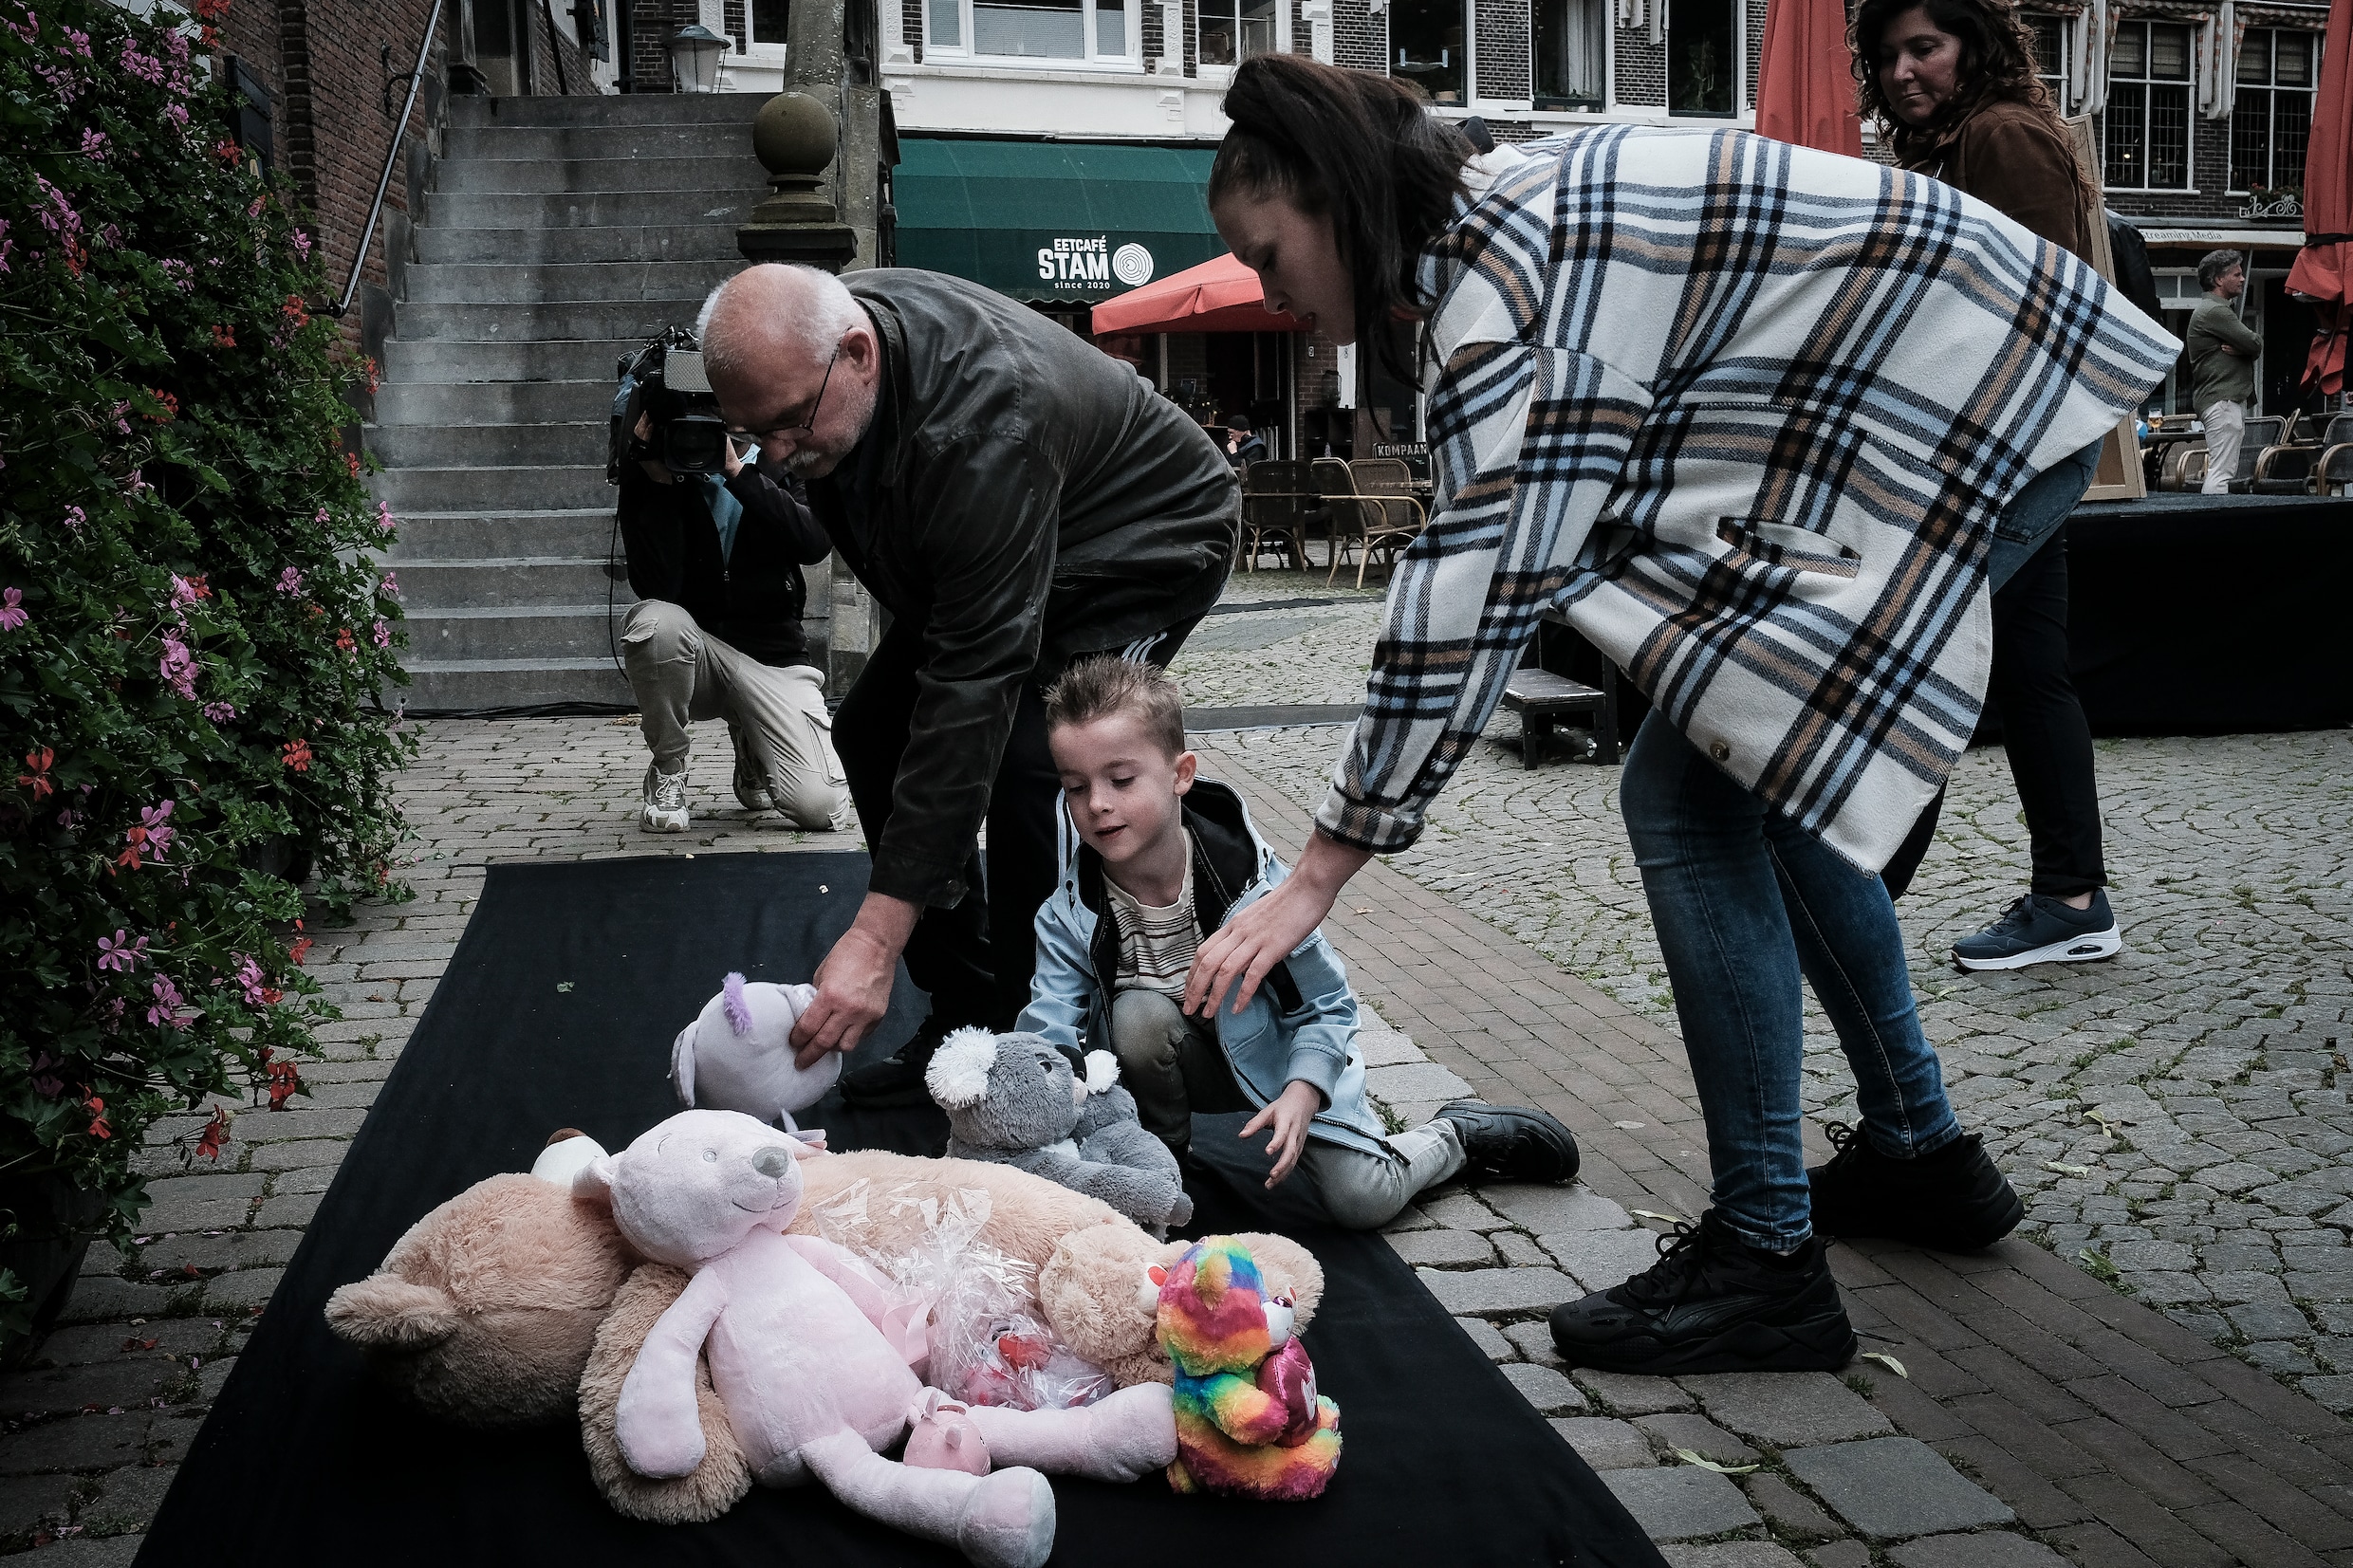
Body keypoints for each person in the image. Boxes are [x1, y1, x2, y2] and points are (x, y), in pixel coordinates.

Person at [1191, 56, 2173, 1374]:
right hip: (1977, 380)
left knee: (1689, 795)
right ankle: (1921, 1152)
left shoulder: (1502, 286)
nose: (1269, 292)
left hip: (1978, 401)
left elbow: (1474, 584)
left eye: (1266, 252)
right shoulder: (1495, 212)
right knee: (1753, 769)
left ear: (1329, 195)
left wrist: (1319, 871)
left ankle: (1768, 1253)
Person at [695, 264, 1238, 1106]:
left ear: (858, 353)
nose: (776, 455)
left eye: (789, 425)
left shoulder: (984, 421)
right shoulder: (827, 358)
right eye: (751, 431)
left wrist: (875, 937)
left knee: (1035, 763)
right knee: (872, 730)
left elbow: (972, 682)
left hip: (1145, 545)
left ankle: (1032, 1058)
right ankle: (963, 1019)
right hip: (1018, 532)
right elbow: (936, 628)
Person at [1019, 655, 1579, 1227]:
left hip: (1281, 1064)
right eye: (1075, 787)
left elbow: (1329, 1008)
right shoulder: (1069, 914)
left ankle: (1455, 1135)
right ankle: (1163, 1161)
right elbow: (1049, 1029)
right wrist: (1025, 1108)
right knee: (1137, 1015)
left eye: (1120, 780)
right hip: (1178, 1061)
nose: (1098, 805)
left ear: (1181, 773)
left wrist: (1306, 1090)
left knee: (1364, 1200)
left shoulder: (1261, 891)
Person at [1857, 0, 2124, 973]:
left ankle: (1860, 891)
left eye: (1922, 46)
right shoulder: (1955, 143)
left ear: (1973, 43)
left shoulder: (2001, 136)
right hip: (1992, 451)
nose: (1900, 70)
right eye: (1885, 54)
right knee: (2023, 671)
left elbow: (2042, 313)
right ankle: (2072, 895)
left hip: (1994, 457)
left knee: (1926, 658)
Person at [617, 416, 846, 834]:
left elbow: (813, 540)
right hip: (697, 654)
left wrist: (739, 474)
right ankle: (669, 768)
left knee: (822, 807)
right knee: (655, 623)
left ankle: (753, 747)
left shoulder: (782, 455)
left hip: (773, 660)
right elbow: (655, 584)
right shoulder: (660, 470)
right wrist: (655, 483)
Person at [2187, 249, 2263, 497]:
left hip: (2222, 400)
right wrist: (2245, 348)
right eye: (2236, 274)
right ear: (2218, 279)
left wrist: (2242, 349)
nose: (2242, 279)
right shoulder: (2215, 312)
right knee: (2222, 471)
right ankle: (2213, 523)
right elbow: (2254, 343)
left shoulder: (2215, 311)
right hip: (2223, 401)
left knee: (2221, 468)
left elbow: (2247, 345)